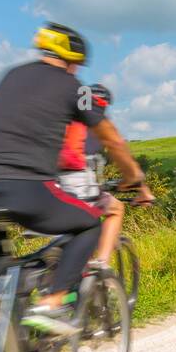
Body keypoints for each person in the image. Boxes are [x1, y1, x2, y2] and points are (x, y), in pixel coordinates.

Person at [0, 23, 153, 336]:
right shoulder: (72, 87)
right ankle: (53, 302)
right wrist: (135, 176)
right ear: (72, 61)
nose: (76, 71)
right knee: (90, 223)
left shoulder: (12, 76)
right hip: (24, 187)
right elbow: (112, 139)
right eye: (77, 65)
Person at [56, 83, 129, 267]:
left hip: (50, 186)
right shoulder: (95, 127)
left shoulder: (65, 119)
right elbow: (95, 163)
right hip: (78, 186)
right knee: (116, 209)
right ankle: (102, 265)